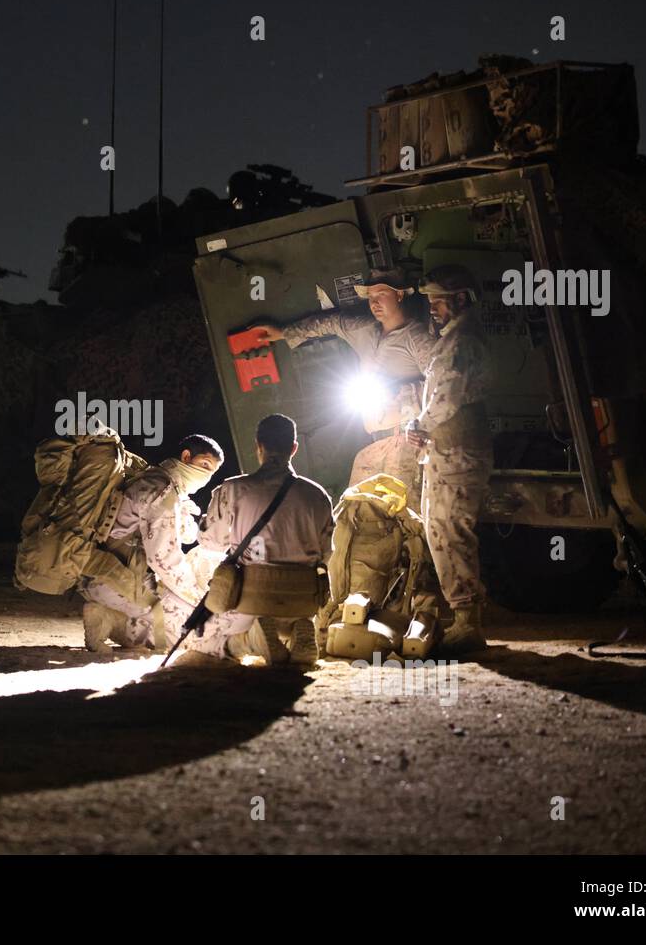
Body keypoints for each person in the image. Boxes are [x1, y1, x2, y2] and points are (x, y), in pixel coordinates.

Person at [163, 414, 333, 668]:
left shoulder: (232, 489)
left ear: (259, 446)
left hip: (253, 598)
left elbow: (210, 543)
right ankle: (299, 629)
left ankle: (251, 641)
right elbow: (326, 552)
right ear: (294, 448)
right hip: (303, 598)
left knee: (204, 642)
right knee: (293, 617)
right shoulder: (317, 495)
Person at [248, 267, 436, 495]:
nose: (374, 302)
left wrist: (400, 394)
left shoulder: (417, 338)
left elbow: (440, 386)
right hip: (376, 433)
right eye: (371, 297)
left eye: (381, 295)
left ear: (399, 295)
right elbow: (330, 323)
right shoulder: (365, 329)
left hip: (407, 434)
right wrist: (285, 333)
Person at [402, 265, 494, 653]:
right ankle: (463, 616)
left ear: (459, 300)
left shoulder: (460, 342)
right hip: (447, 452)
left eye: (438, 301)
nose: (433, 309)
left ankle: (467, 623)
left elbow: (446, 398)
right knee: (445, 531)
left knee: (449, 532)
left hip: (455, 452)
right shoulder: (456, 338)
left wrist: (418, 424)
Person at [80, 435, 224, 651]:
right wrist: (199, 599)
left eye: (211, 471)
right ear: (186, 456)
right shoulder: (160, 489)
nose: (206, 475)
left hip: (111, 573)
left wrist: (184, 511)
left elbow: (187, 537)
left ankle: (114, 613)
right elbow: (164, 560)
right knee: (196, 630)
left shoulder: (159, 480)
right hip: (113, 579)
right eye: (204, 465)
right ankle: (111, 620)